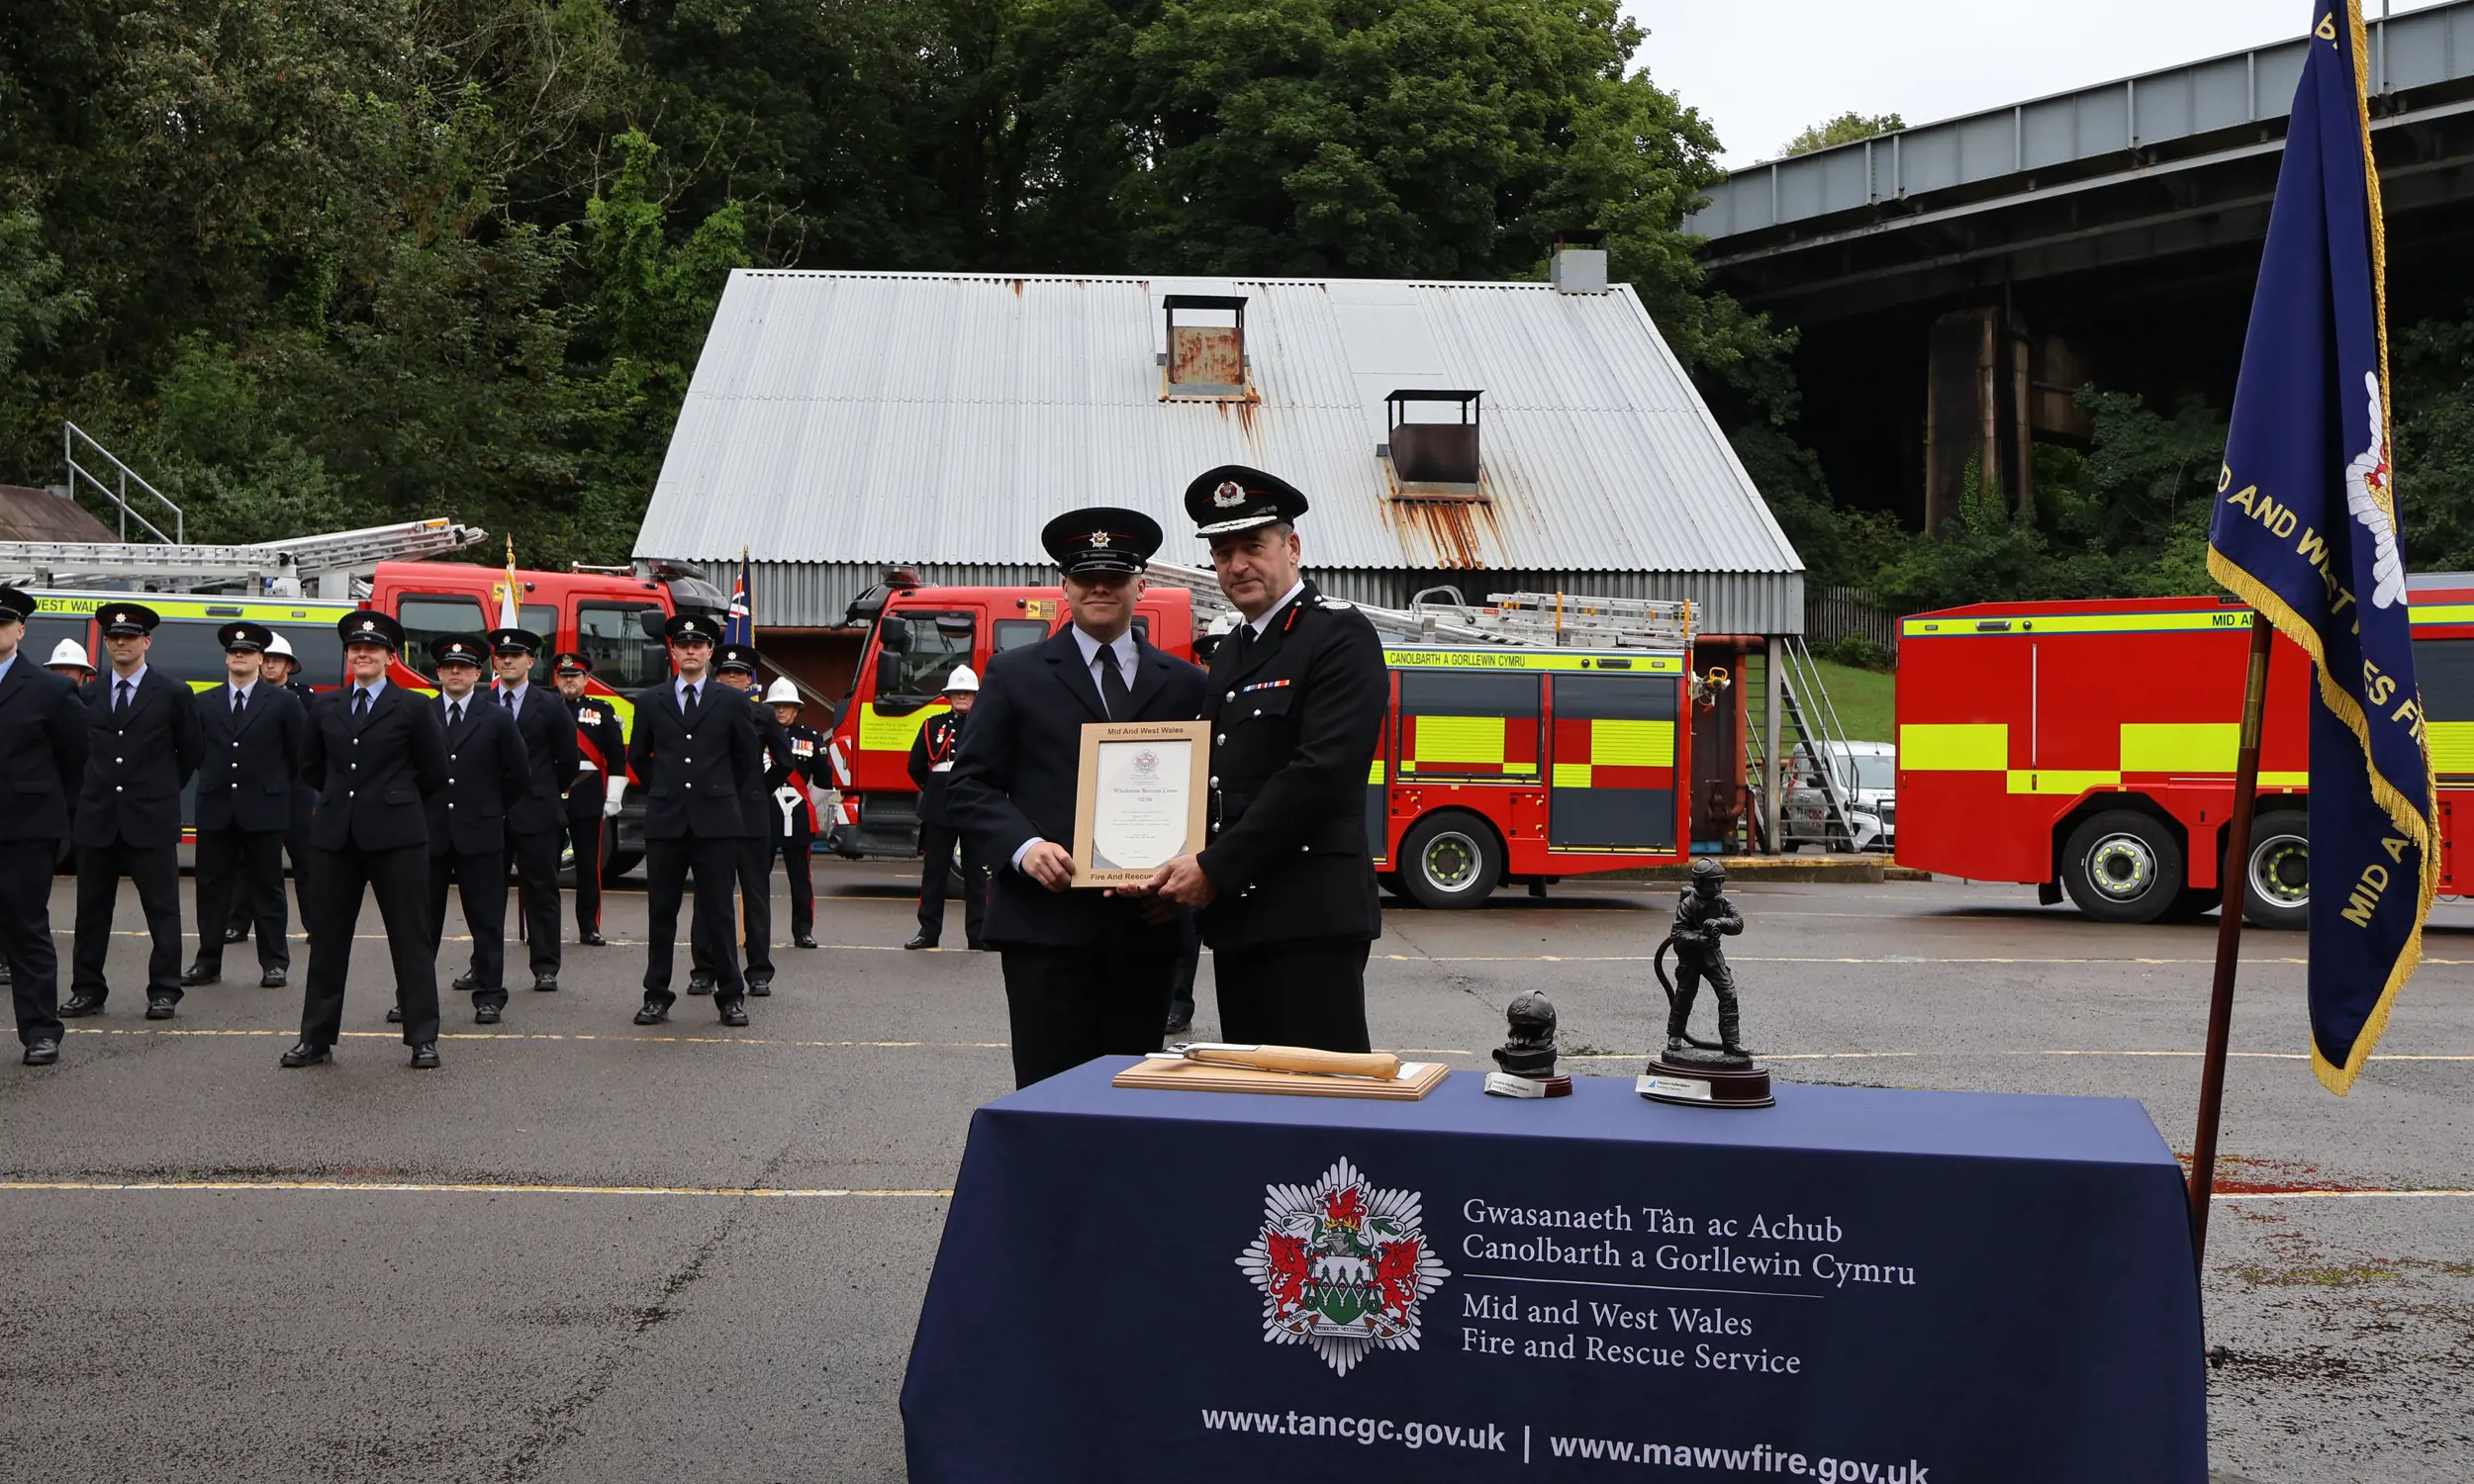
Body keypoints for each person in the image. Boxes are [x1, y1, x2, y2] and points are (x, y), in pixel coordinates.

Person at [947, 508, 1209, 1087]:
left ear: (1140, 585)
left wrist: (1187, 885)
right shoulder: (1014, 675)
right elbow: (969, 784)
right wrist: (1024, 846)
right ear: (1064, 585)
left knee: (1128, 1100)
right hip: (1047, 927)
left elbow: (1210, 799)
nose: (1099, 587)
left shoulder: (1188, 684)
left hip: (1146, 924)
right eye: (1084, 575)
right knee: (1047, 1096)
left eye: (1114, 576)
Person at [1137, 466, 1388, 1054]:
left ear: (1292, 547)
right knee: (1256, 1103)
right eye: (1223, 552)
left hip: (1310, 916)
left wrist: (1215, 867)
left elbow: (1319, 773)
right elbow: (1213, 778)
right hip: (1241, 918)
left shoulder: (1338, 637)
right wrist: (1153, 860)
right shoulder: (1232, 650)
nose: (1238, 565)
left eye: (1253, 546)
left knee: (1318, 1105)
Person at [287, 610, 450, 1069]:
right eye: (356, 649)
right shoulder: (326, 706)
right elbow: (311, 767)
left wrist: (395, 798)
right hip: (336, 838)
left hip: (397, 838)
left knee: (411, 940)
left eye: (372, 649)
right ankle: (316, 1039)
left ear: (389, 657)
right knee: (328, 943)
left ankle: (422, 1038)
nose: (363, 654)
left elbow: (435, 772)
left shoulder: (414, 706)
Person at [63, 603, 203, 1022]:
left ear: (147, 641)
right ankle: (87, 989)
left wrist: (158, 792)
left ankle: (164, 991)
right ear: (106, 643)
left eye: (129, 636)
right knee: (90, 911)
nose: (121, 643)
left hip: (150, 819)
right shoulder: (86, 694)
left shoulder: (174, 693)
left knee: (161, 910)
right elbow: (74, 755)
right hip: (98, 820)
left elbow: (190, 751)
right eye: (113, 637)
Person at [629, 612, 761, 1027]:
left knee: (720, 913)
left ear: (709, 652)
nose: (690, 651)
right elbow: (638, 758)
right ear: (673, 650)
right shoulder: (652, 701)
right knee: (661, 913)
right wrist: (666, 788)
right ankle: (656, 995)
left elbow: (746, 761)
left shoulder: (733, 701)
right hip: (667, 822)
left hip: (716, 823)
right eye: (683, 645)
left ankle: (730, 997)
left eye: (698, 645)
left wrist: (716, 792)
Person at [184, 621, 306, 991]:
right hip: (216, 809)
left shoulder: (283, 702)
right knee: (211, 889)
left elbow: (299, 755)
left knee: (267, 888)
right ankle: (208, 961)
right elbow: (193, 751)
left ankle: (274, 963)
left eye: (248, 651)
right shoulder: (204, 701)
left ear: (260, 658)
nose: (240, 656)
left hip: (264, 810)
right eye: (234, 651)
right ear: (226, 657)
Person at [0, 586, 88, 1066]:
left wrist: (59, 821)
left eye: (2, 623)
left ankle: (39, 1030)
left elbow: (76, 760)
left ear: (20, 631)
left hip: (24, 832)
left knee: (25, 930)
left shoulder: (52, 690)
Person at [422, 635, 528, 1026]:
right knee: (421, 923)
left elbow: (518, 774)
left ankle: (489, 996)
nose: (455, 672)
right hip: (430, 833)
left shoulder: (496, 716)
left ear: (477, 673)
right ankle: (413, 997)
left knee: (485, 921)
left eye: (463, 667)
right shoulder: (421, 712)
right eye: (449, 667)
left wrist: (491, 809)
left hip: (480, 832)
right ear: (437, 673)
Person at [698, 642, 794, 995]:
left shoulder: (763, 715)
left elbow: (786, 762)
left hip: (751, 815)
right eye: (726, 673)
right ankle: (704, 969)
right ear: (717, 676)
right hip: (711, 812)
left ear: (749, 680)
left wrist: (758, 789)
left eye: (739, 674)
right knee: (709, 894)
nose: (733, 679)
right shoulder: (702, 711)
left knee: (755, 895)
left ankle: (758, 971)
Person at [487, 626, 579, 991]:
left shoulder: (551, 704)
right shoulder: (482, 701)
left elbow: (567, 761)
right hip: (489, 812)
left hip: (537, 812)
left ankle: (545, 966)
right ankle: (483, 966)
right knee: (486, 894)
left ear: (531, 661)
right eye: (501, 655)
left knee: (542, 891)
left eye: (516, 655)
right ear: (494, 661)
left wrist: (543, 792)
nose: (508, 660)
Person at [229, 631, 319, 949]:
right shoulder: (243, 696)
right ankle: (237, 923)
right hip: (257, 792)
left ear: (289, 666)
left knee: (306, 863)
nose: (270, 666)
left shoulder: (306, 698)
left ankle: (316, 925)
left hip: (295, 792)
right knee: (248, 862)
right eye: (266, 659)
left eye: (277, 660)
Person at [904, 666, 986, 951]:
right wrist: (936, 792)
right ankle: (928, 931)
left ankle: (978, 934)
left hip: (974, 804)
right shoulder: (932, 725)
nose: (962, 697)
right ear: (948, 696)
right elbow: (915, 767)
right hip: (940, 806)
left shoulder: (986, 725)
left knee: (976, 874)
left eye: (967, 693)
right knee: (935, 872)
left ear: (976, 697)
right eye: (957, 693)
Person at [552, 651, 627, 946]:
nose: (569, 681)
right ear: (556, 679)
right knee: (545, 867)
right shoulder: (544, 707)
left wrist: (613, 797)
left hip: (587, 795)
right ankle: (544, 928)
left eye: (575, 676)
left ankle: (589, 926)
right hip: (550, 795)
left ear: (586, 679)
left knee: (588, 866)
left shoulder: (601, 710)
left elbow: (617, 756)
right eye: (563, 676)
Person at [764, 677, 825, 951]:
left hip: (796, 816)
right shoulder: (756, 734)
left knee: (800, 878)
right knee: (756, 879)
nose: (780, 712)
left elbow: (825, 780)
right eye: (776, 706)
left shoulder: (810, 738)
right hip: (763, 815)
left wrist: (804, 805)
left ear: (796, 709)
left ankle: (803, 932)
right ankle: (756, 931)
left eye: (786, 706)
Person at [1665, 857, 1746, 1057]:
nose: (1716, 886)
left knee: (1728, 995)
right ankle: (1675, 1034)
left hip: (1711, 955)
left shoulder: (1723, 903)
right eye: (1712, 882)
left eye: (1719, 881)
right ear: (1699, 882)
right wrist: (1700, 937)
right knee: (1684, 995)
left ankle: (1731, 1042)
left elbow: (1738, 924)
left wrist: (1719, 922)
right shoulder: (1688, 904)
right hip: (1690, 957)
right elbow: (1677, 933)